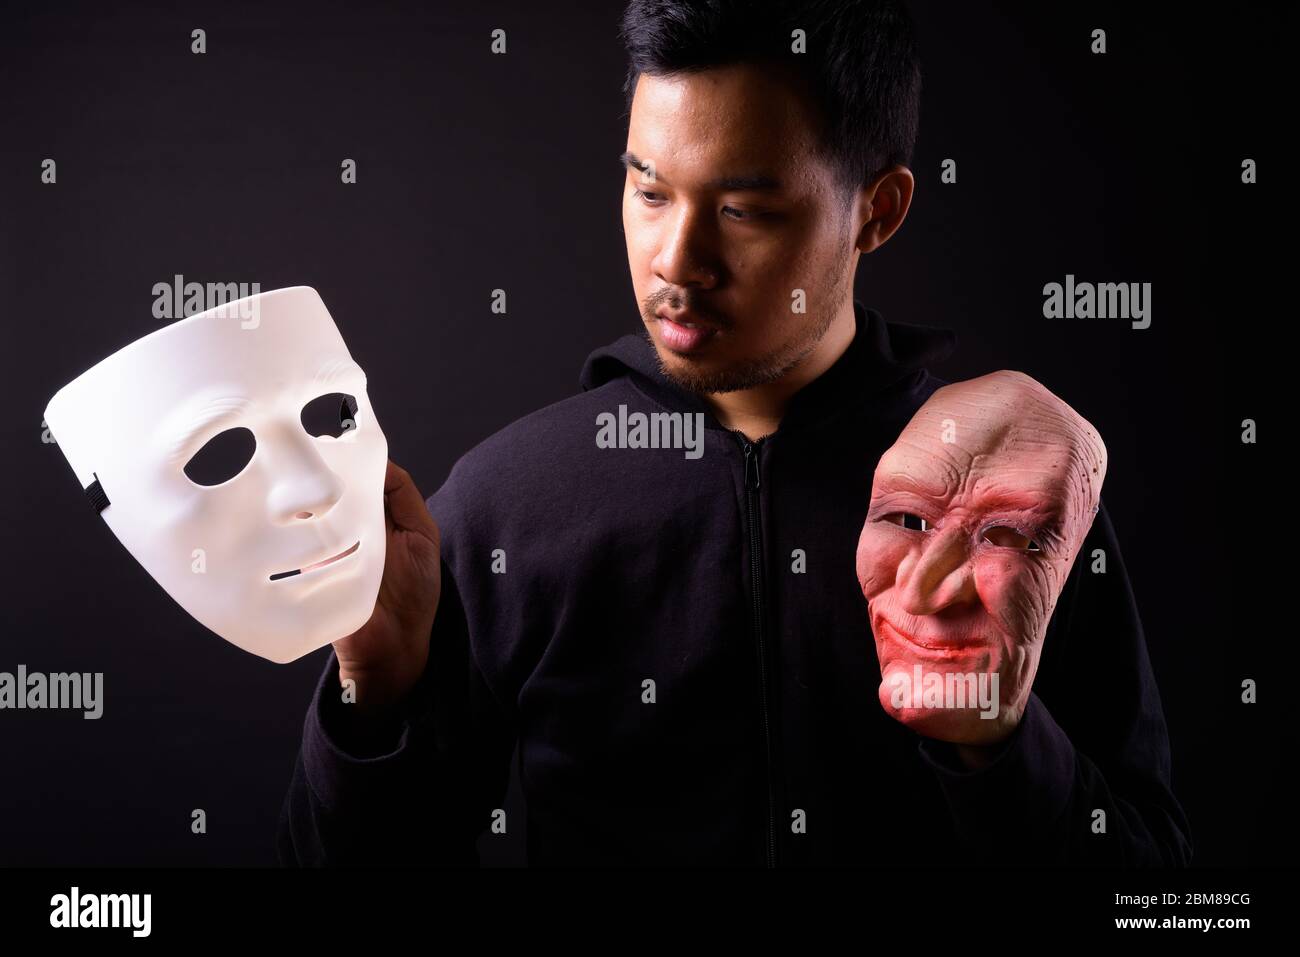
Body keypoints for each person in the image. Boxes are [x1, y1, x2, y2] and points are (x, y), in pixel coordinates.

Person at [276, 0, 1191, 867]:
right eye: (649, 191)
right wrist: (372, 702)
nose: (677, 260)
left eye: (744, 210)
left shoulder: (998, 497)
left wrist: (994, 740)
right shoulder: (504, 506)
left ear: (879, 210)